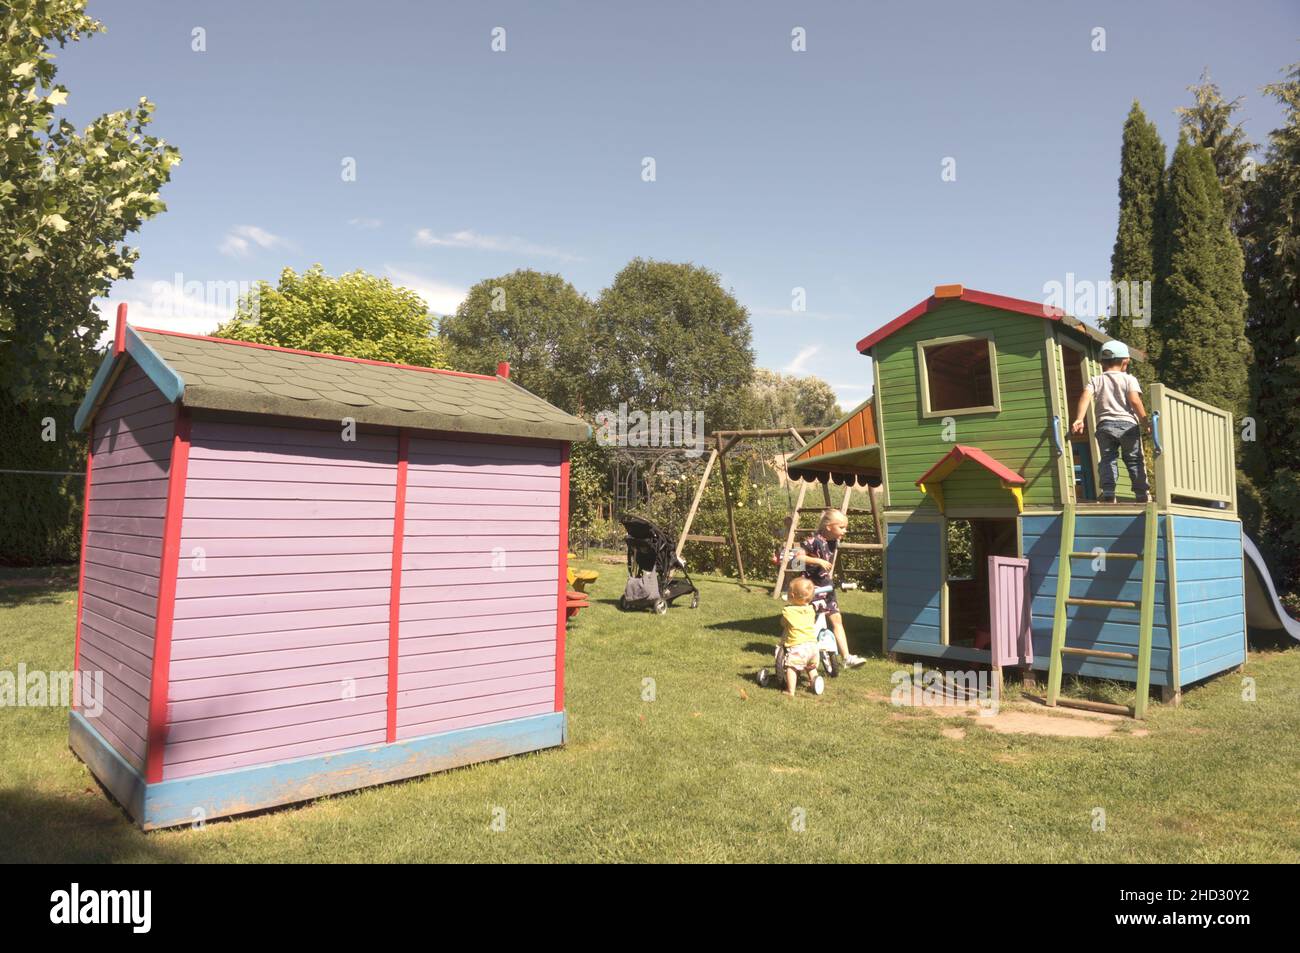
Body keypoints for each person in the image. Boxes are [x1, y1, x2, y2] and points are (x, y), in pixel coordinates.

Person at [1070, 340, 1151, 503]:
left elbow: (1085, 396)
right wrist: (1145, 421)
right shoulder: (1129, 379)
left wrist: (1079, 419)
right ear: (1125, 362)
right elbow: (1135, 401)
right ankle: (1142, 494)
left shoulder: (1095, 380)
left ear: (1101, 362)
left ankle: (1108, 492)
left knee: (1108, 459)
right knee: (1134, 459)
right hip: (1128, 425)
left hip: (1105, 426)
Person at [795, 508, 867, 667]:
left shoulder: (833, 542)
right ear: (828, 527)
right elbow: (797, 558)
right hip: (810, 589)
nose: (845, 531)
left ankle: (847, 657)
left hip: (826, 588)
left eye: (845, 527)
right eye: (841, 527)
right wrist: (818, 561)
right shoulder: (813, 541)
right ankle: (801, 654)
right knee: (809, 624)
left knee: (837, 621)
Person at [779, 577, 820, 696]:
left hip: (799, 647)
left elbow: (783, 622)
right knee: (811, 667)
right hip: (813, 646)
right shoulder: (811, 609)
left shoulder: (789, 611)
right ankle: (815, 683)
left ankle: (790, 691)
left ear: (791, 595)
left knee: (791, 667)